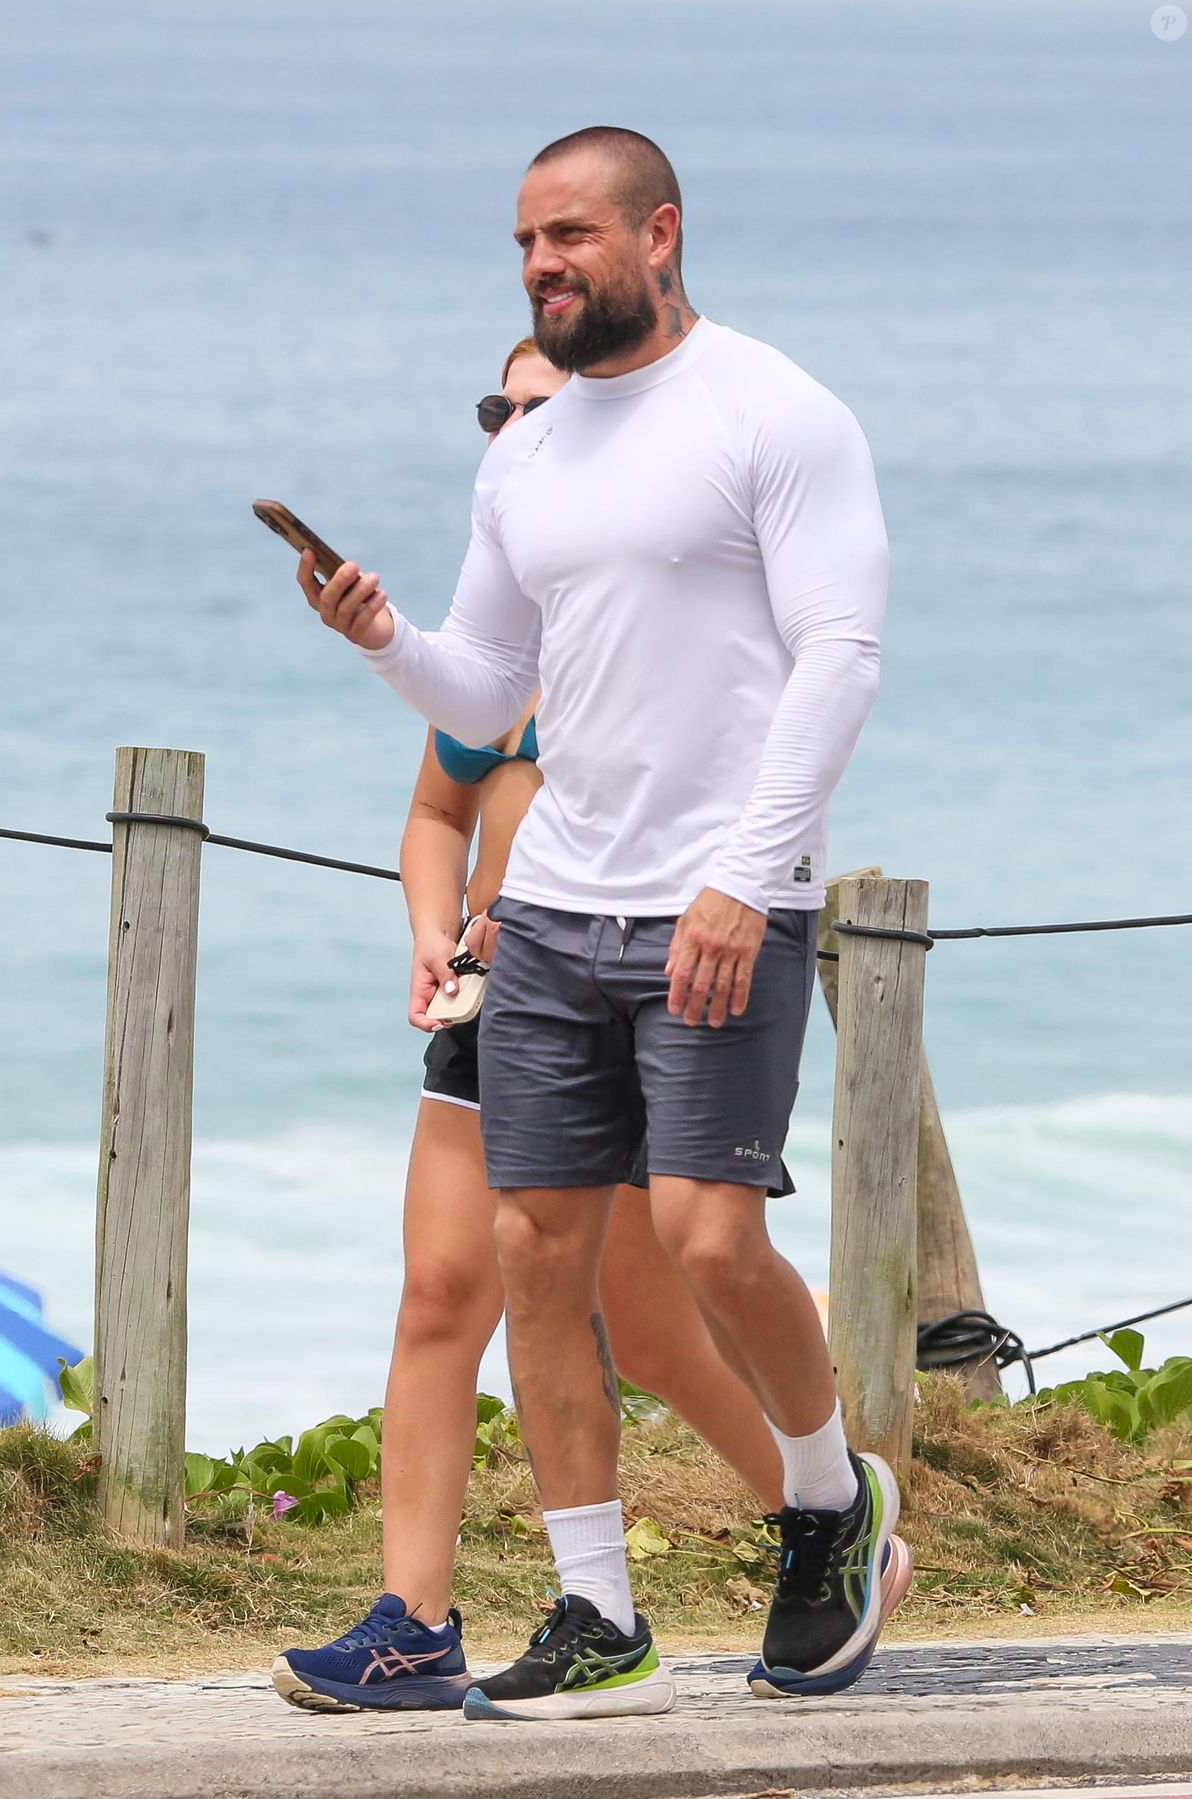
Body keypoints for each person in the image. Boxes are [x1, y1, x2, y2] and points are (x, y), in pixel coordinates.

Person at [296, 126, 897, 1720]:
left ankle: (833, 1501)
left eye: (569, 235)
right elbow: (490, 688)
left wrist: (745, 874)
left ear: (661, 233)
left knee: (708, 1232)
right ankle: (596, 1609)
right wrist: (382, 640)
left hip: (723, 898)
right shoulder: (527, 457)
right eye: (522, 244)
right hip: (553, 908)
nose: (542, 265)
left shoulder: (775, 412)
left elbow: (838, 652)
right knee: (536, 1255)